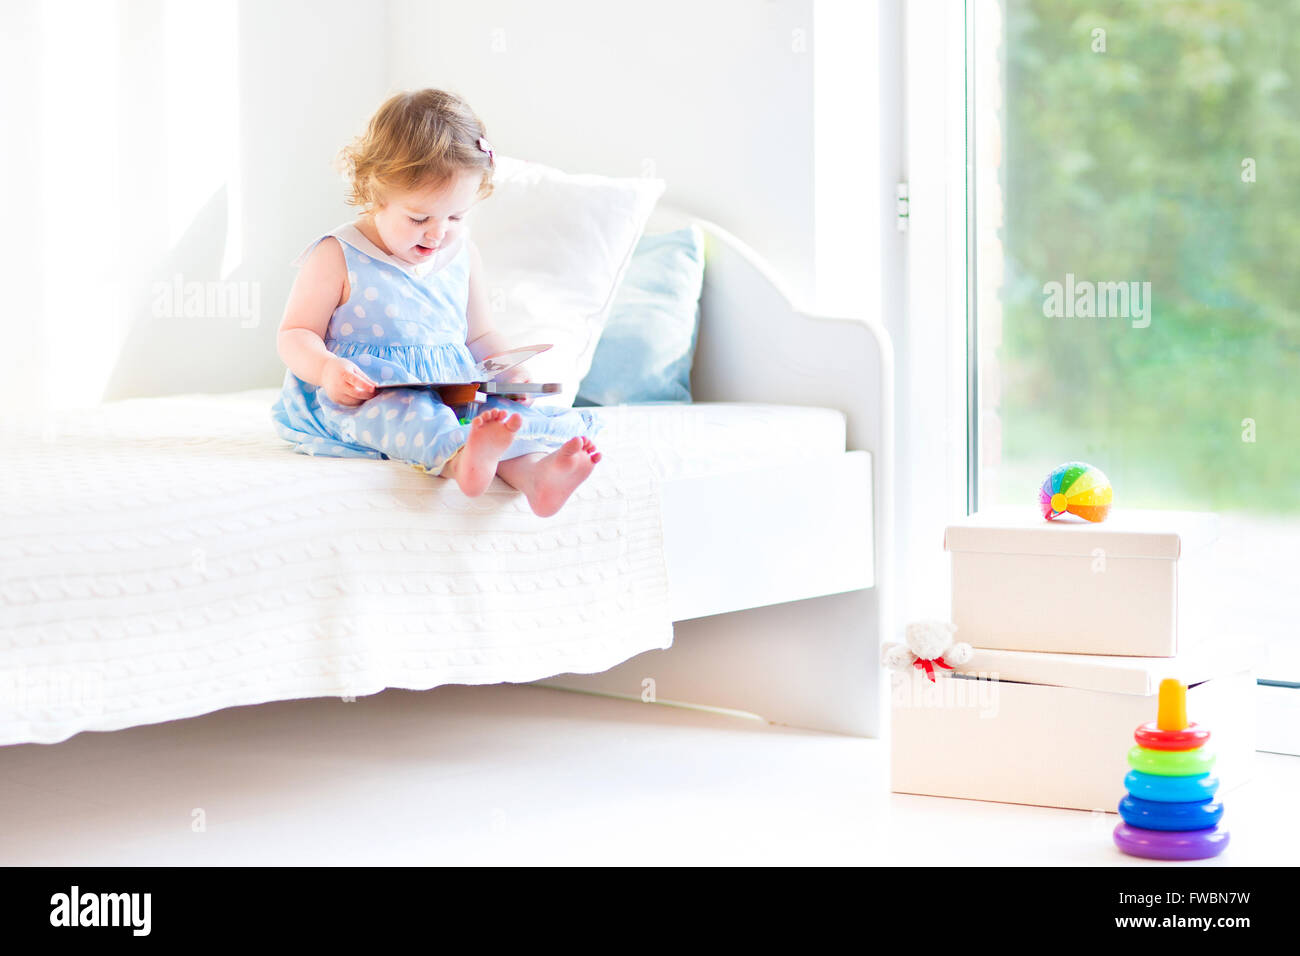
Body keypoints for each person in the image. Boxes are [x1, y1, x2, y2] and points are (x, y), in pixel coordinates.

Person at [270, 89, 602, 517]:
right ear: (376, 192)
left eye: (456, 217)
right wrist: (326, 369)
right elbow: (295, 333)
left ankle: (536, 477)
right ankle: (463, 461)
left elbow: (480, 334)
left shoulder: (462, 254)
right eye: (419, 218)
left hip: (451, 387)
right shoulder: (337, 254)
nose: (437, 234)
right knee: (409, 414)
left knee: (496, 416)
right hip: (367, 392)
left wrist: (507, 367)